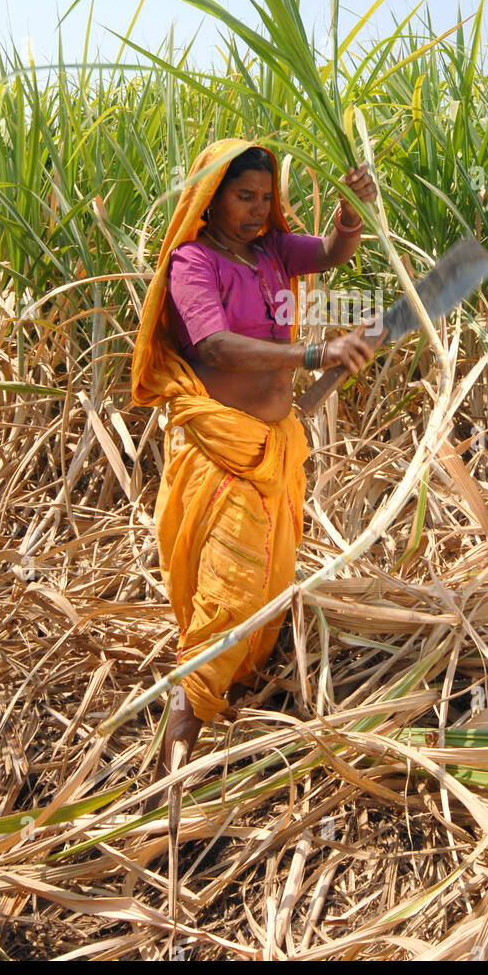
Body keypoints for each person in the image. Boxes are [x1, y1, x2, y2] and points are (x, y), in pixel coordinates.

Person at [130, 138, 377, 781]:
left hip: (275, 450)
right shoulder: (193, 261)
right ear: (210, 198)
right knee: (225, 600)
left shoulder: (269, 251)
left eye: (265, 198)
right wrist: (314, 356)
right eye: (244, 196)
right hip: (225, 452)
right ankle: (170, 775)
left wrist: (349, 216)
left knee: (264, 589)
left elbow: (326, 253)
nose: (256, 210)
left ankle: (238, 714)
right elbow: (215, 346)